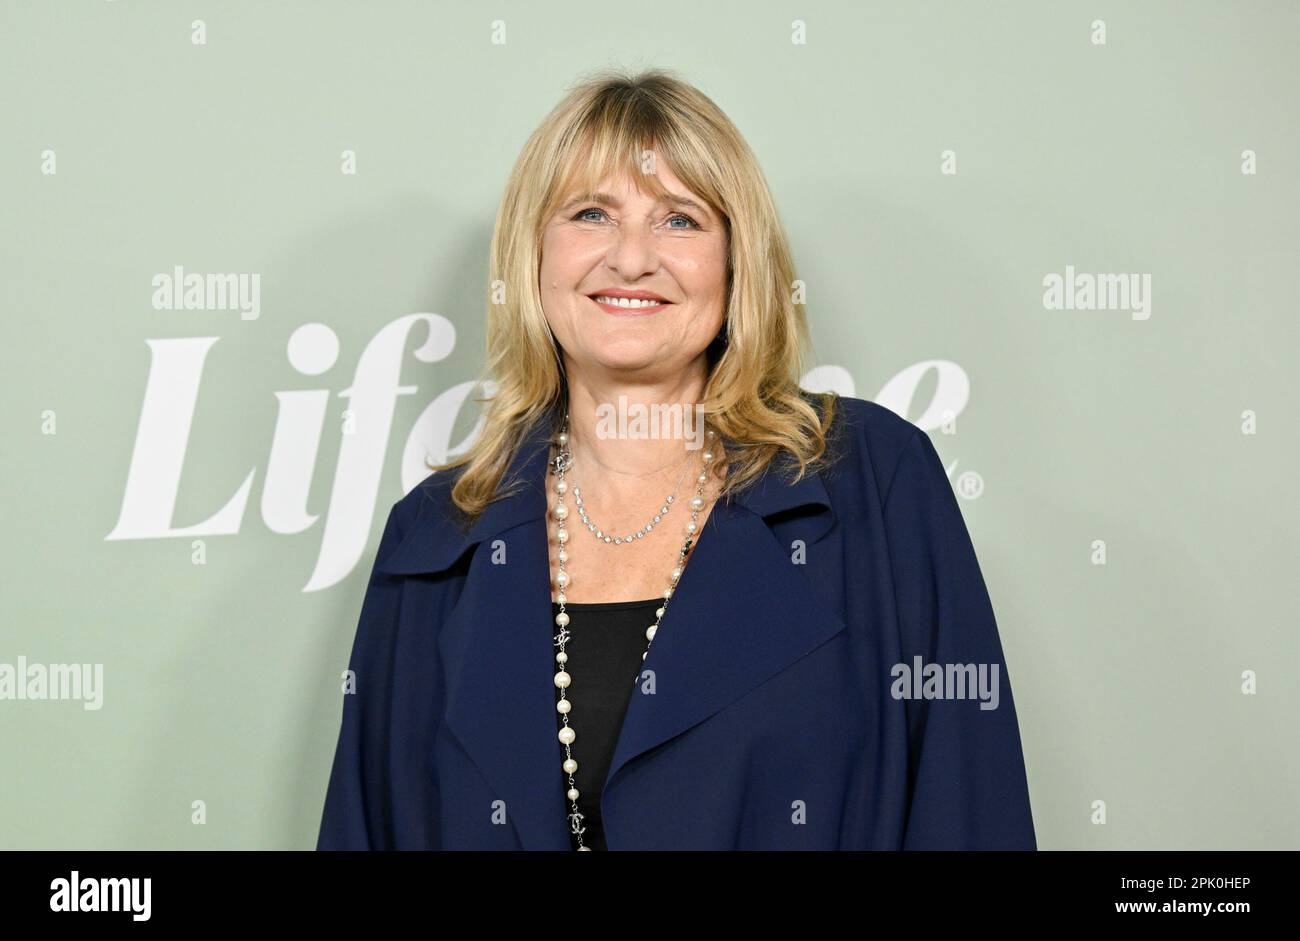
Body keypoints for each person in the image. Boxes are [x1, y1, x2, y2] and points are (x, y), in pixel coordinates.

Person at [316, 68, 1036, 851]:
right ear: (534, 255)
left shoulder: (875, 483)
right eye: (592, 213)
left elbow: (968, 809)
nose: (631, 259)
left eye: (680, 220)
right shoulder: (435, 536)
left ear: (736, 263)